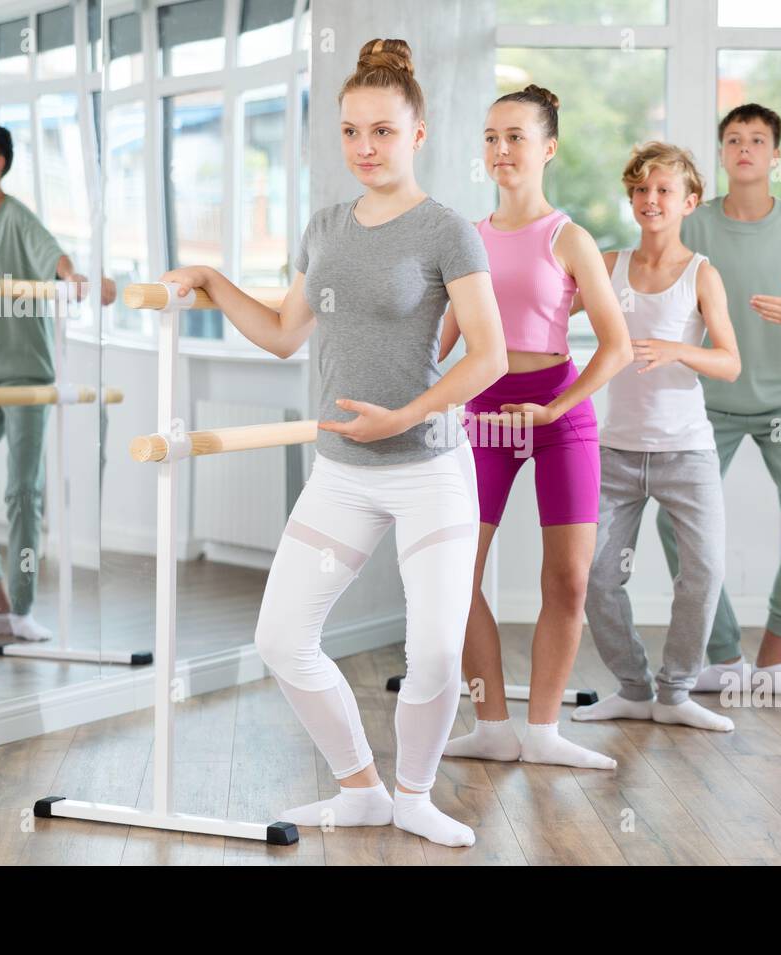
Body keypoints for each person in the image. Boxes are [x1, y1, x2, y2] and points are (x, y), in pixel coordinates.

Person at [163, 39, 506, 847]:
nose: (364, 148)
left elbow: (487, 353)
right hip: (345, 474)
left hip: (427, 469)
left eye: (382, 131)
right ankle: (360, 787)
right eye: (351, 132)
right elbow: (284, 333)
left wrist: (406, 415)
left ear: (418, 134)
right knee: (281, 637)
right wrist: (212, 279)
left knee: (432, 651)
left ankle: (414, 794)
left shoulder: (448, 230)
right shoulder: (324, 227)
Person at [436, 85, 633, 770]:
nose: (501, 150)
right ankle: (492, 725)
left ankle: (545, 729)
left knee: (570, 580)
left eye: (516, 136)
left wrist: (554, 407)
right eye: (491, 137)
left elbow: (617, 345)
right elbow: (439, 342)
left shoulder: (569, 238)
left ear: (548, 147)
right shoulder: (468, 238)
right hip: (486, 411)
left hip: (558, 409)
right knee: (456, 573)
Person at [654, 103, 781, 702]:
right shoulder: (692, 226)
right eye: (734, 139)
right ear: (722, 153)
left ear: (775, 157)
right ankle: (722, 657)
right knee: (674, 524)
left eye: (758, 139)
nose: (745, 147)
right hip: (707, 405)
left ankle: (773, 661)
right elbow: (642, 282)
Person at [571, 142, 739, 732]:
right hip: (615, 450)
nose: (651, 200)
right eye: (642, 190)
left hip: (686, 453)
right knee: (594, 576)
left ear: (689, 201)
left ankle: (675, 694)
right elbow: (546, 306)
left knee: (704, 572)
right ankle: (634, 688)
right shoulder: (609, 265)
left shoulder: (702, 274)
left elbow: (729, 362)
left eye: (664, 190)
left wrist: (676, 350)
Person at [0, 120, 114, 642]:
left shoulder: (18, 218)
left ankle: (21, 608)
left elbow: (52, 257)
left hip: (29, 374)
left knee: (22, 493)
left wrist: (73, 277)